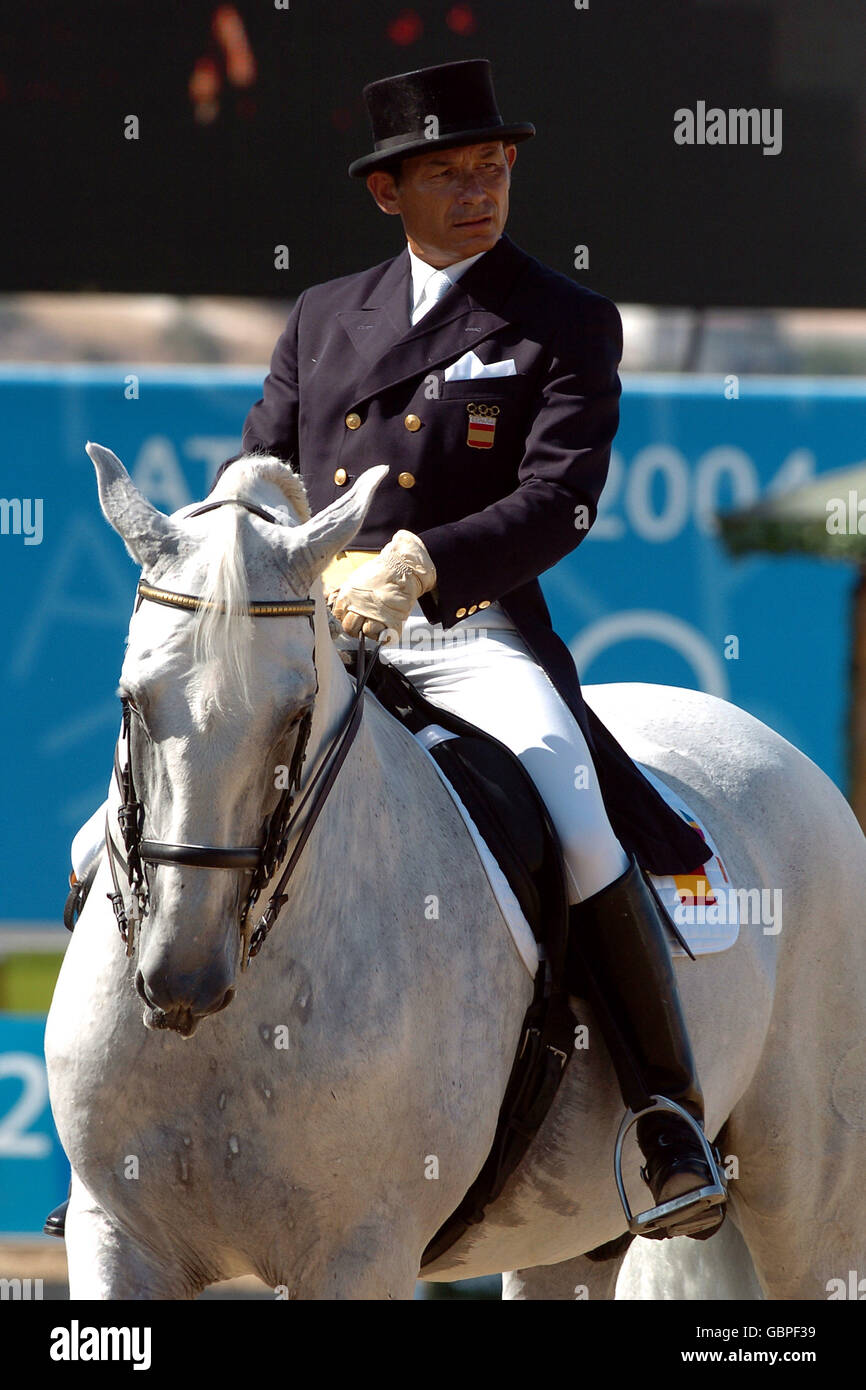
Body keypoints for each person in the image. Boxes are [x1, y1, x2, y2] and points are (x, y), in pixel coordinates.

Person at [46, 59, 725, 1243]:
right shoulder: (321, 315)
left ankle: (666, 1115)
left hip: (466, 633)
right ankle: (118, 1130)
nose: (477, 191)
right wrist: (243, 539)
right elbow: (260, 464)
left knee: (572, 807)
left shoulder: (560, 319)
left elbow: (560, 499)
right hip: (317, 636)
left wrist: (419, 565)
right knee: (110, 830)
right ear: (387, 192)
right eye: (448, 173)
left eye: (492, 168)